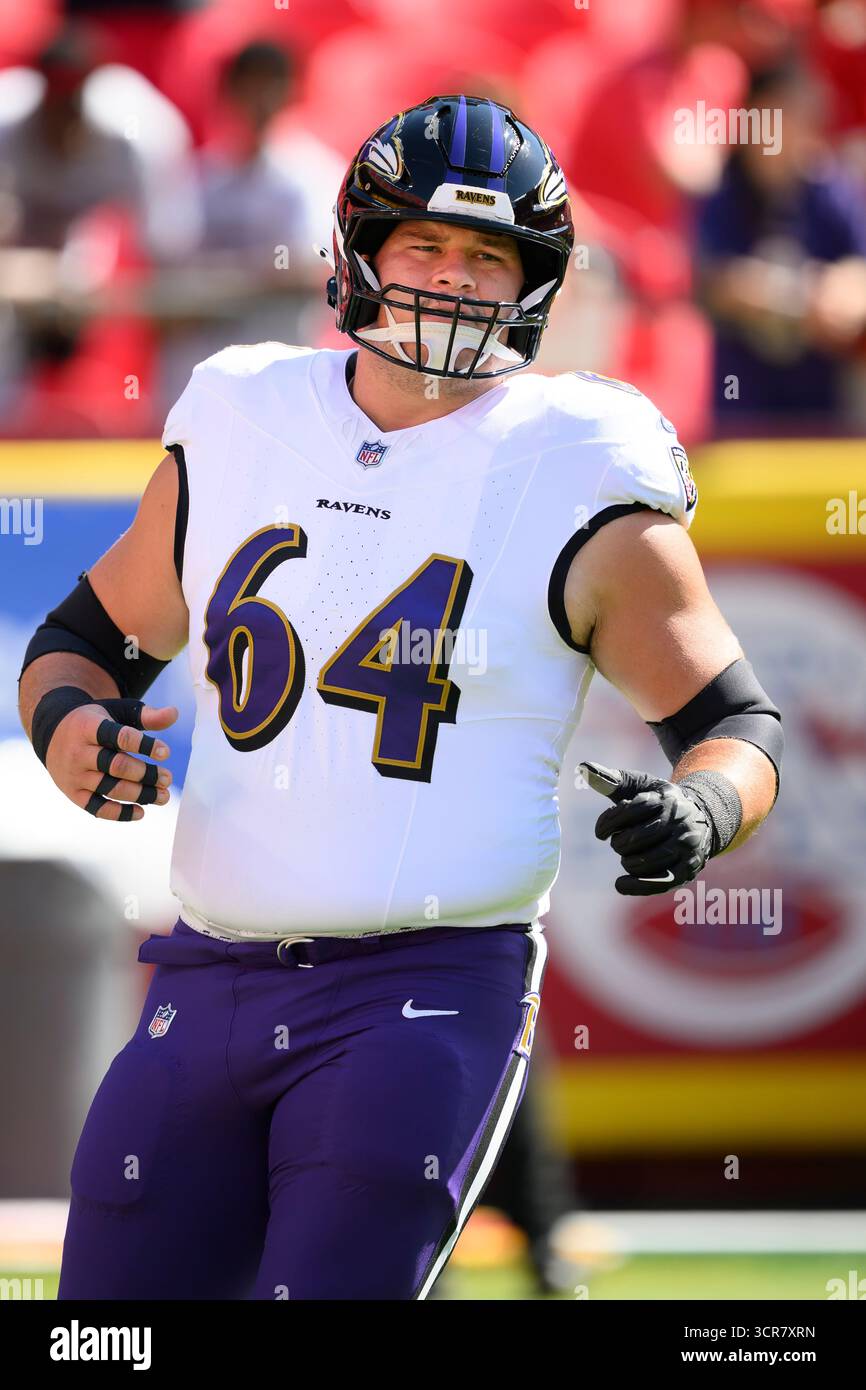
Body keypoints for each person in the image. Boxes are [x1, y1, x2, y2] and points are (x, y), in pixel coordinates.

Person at [18, 95, 783, 1301]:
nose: (450, 281)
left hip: (420, 988)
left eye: (487, 257)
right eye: (422, 244)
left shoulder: (581, 457)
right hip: (207, 976)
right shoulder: (243, 413)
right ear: (358, 251)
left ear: (531, 286)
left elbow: (734, 727)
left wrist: (699, 809)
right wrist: (72, 729)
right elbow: (85, 641)